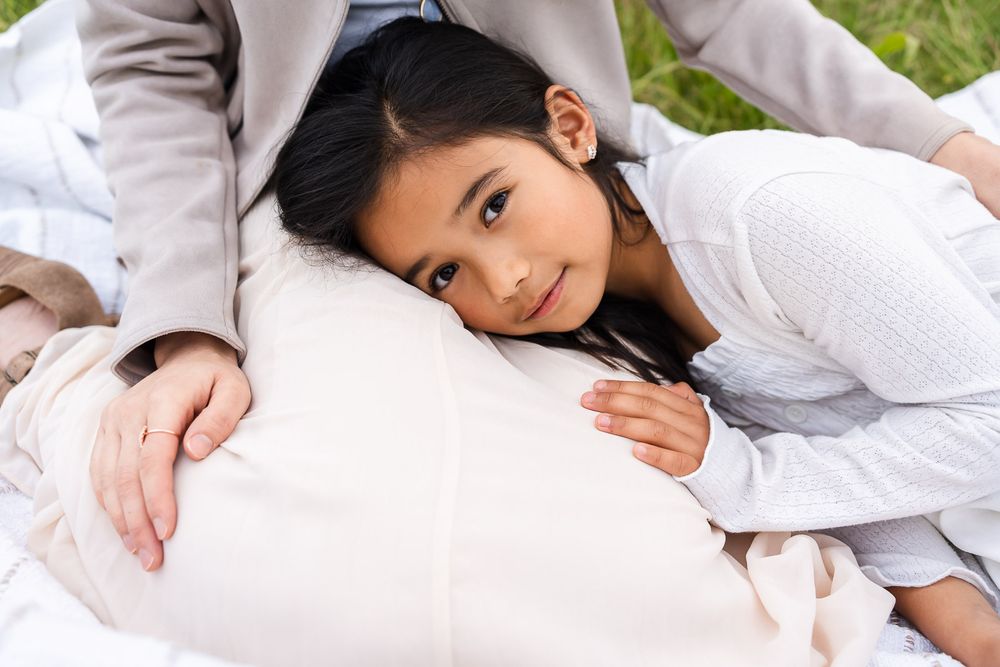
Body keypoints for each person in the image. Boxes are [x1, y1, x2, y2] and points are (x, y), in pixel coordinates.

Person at [4, 0, 1000, 577]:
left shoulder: (733, 216)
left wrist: (943, 146)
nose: (513, 280)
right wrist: (189, 329)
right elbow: (151, 58)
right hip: (314, 196)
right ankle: (49, 371)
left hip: (518, 141)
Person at [268, 18, 1000, 666]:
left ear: (570, 126)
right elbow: (851, 459)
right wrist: (969, 631)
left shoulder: (760, 216)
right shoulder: (611, 326)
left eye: (495, 205)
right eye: (444, 273)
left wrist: (746, 477)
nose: (506, 280)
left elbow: (988, 415)